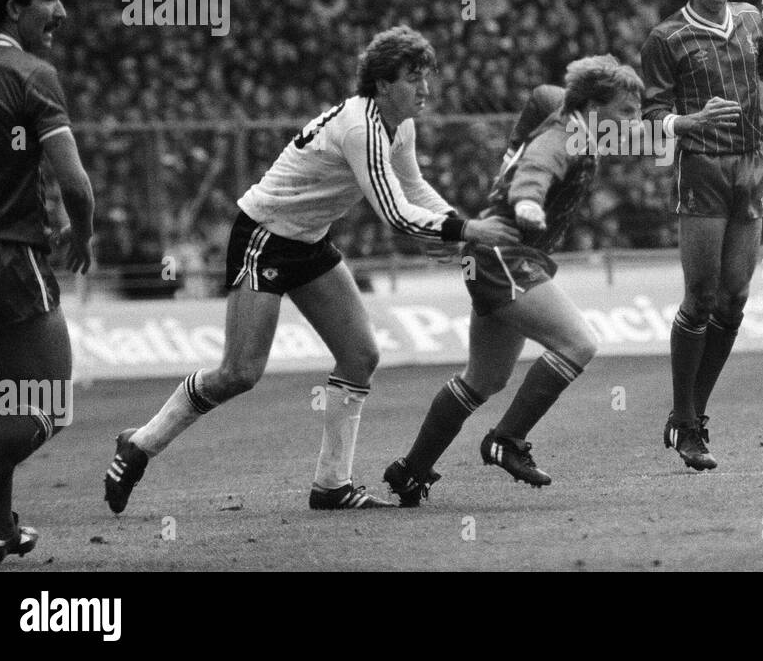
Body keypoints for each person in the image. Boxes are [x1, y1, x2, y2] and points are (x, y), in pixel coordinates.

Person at [103, 26, 519, 513]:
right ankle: (140, 443)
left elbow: (413, 190)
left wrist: (449, 226)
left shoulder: (398, 125)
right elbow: (394, 212)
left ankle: (331, 486)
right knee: (239, 373)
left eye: (427, 76)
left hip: (309, 239)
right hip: (266, 236)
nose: (425, 88)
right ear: (383, 84)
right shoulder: (361, 125)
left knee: (360, 355)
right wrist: (464, 231)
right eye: (413, 78)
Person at [383, 55, 643, 504]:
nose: (632, 121)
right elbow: (538, 168)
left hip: (495, 257)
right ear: (595, 106)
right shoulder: (567, 135)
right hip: (505, 254)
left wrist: (687, 125)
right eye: (624, 111)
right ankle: (507, 439)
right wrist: (527, 200)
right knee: (579, 343)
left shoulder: (566, 112)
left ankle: (410, 470)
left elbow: (544, 97)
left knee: (483, 379)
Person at [0, 0, 94, 568]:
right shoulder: (29, 73)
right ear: (14, 8)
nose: (61, 11)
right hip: (7, 258)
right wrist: (85, 231)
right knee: (46, 402)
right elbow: (75, 186)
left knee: (2, 400)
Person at [639, 0, 763, 470]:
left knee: (735, 298)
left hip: (750, 166)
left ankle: (690, 415)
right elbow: (650, 116)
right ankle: (686, 419)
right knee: (700, 295)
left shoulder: (750, 21)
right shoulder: (666, 39)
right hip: (702, 169)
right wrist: (688, 120)